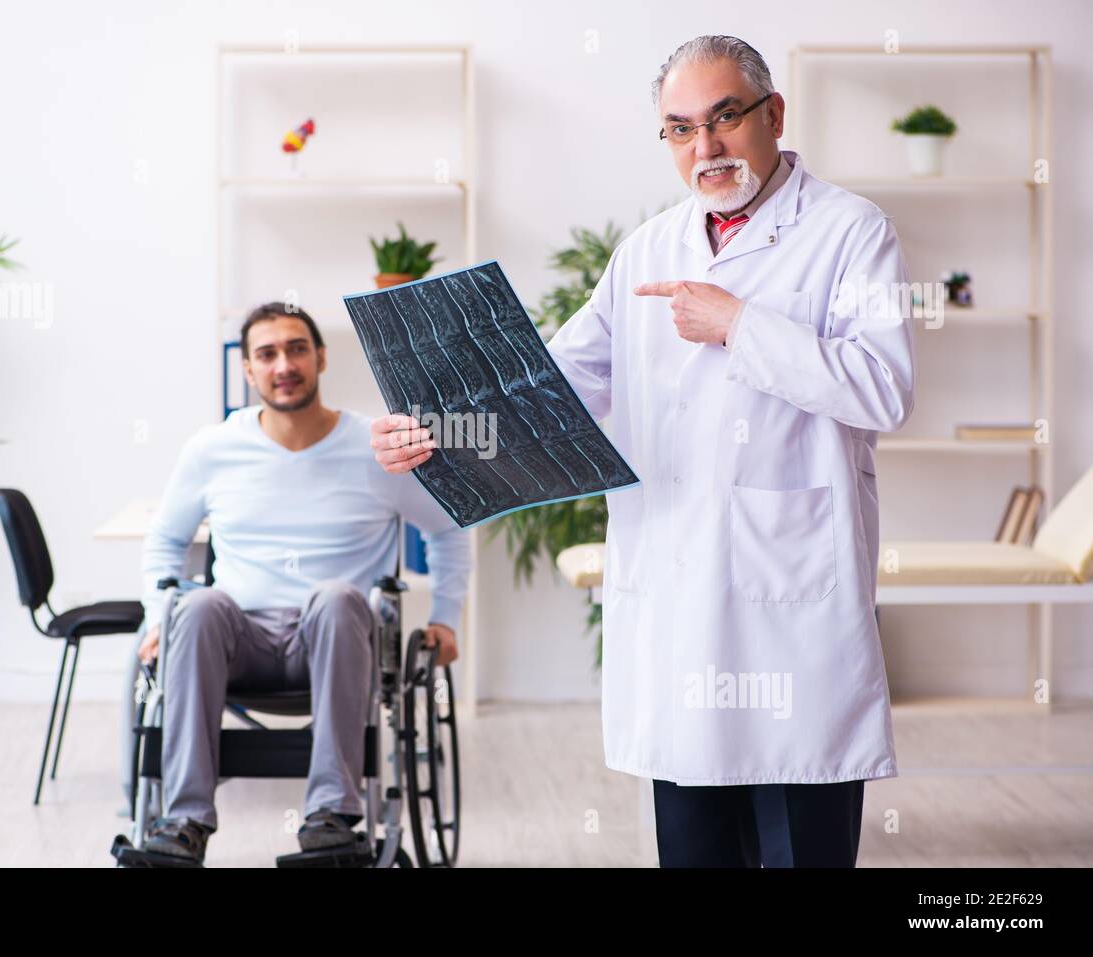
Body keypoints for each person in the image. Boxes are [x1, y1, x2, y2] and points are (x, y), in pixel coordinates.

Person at [371, 35, 915, 867]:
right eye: (680, 128)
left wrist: (739, 323)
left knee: (800, 840)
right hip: (678, 604)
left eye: (725, 118)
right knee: (694, 843)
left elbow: (884, 388)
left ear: (772, 114)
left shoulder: (851, 231)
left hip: (793, 608)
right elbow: (549, 389)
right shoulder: (649, 250)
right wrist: (438, 431)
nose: (706, 147)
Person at [139, 302, 470, 864]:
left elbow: (448, 528)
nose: (283, 364)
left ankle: (332, 817)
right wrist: (155, 620)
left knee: (338, 596)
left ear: (320, 357)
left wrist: (445, 618)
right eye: (266, 354)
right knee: (196, 607)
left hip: (337, 637)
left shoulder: (375, 445)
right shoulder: (213, 449)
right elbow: (165, 542)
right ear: (248, 370)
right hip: (238, 640)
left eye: (296, 349)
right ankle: (184, 819)